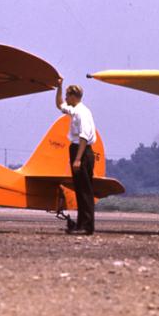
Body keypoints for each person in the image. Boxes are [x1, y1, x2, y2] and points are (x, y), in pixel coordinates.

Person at [54, 82, 98, 235]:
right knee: (80, 190)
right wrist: (59, 87)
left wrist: (78, 159)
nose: (65, 98)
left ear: (73, 96)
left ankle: (87, 226)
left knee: (84, 190)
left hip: (82, 151)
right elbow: (60, 105)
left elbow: (84, 137)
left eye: (67, 95)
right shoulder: (75, 111)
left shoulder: (82, 113)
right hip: (78, 149)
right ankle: (82, 225)